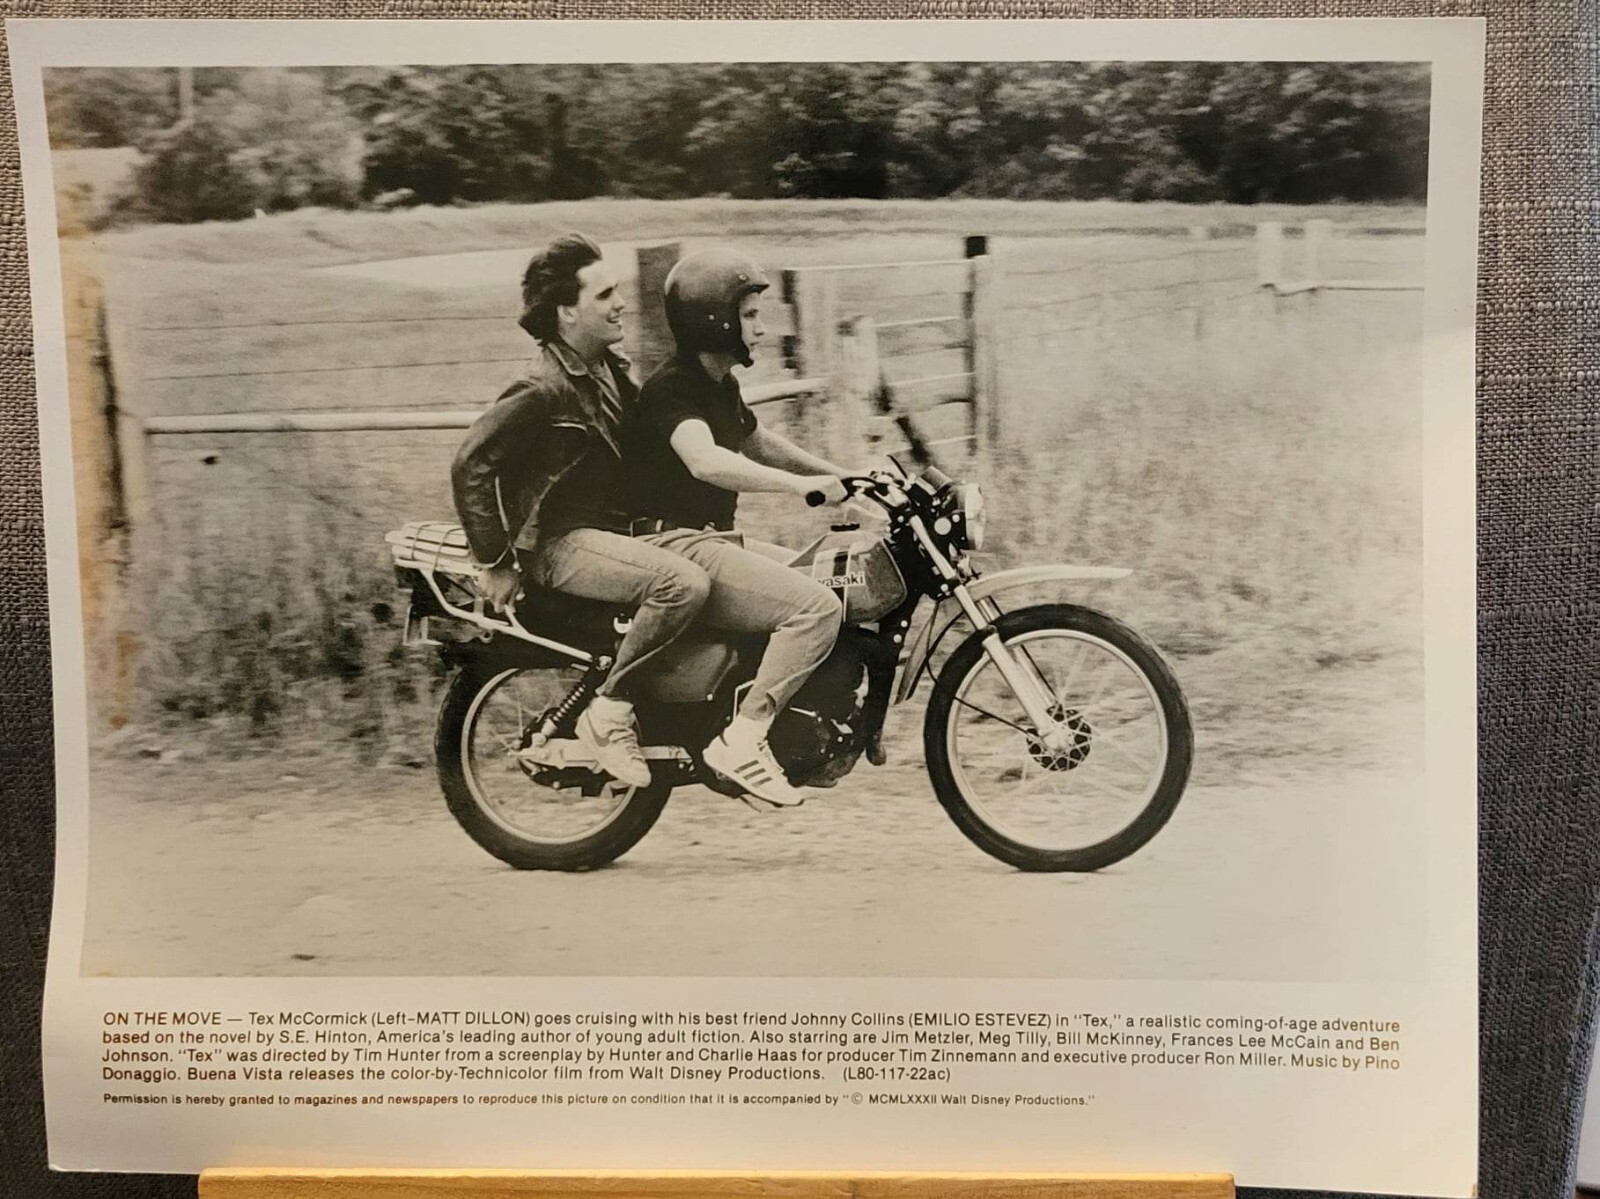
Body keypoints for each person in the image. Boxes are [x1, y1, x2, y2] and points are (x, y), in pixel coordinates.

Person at [451, 232, 716, 790]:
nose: (620, 303)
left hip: (608, 533)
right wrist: (495, 560)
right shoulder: (544, 387)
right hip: (559, 544)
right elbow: (471, 464)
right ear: (565, 313)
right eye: (604, 296)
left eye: (618, 291)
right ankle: (609, 714)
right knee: (682, 585)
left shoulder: (606, 371)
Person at [630, 247, 855, 807]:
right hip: (674, 543)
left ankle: (790, 731)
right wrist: (797, 488)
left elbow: (753, 441)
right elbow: (705, 459)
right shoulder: (672, 389)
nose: (762, 328)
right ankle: (744, 739)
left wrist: (841, 474)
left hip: (711, 539)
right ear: (715, 319)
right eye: (750, 315)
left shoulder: (717, 384)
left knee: (830, 582)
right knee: (815, 607)